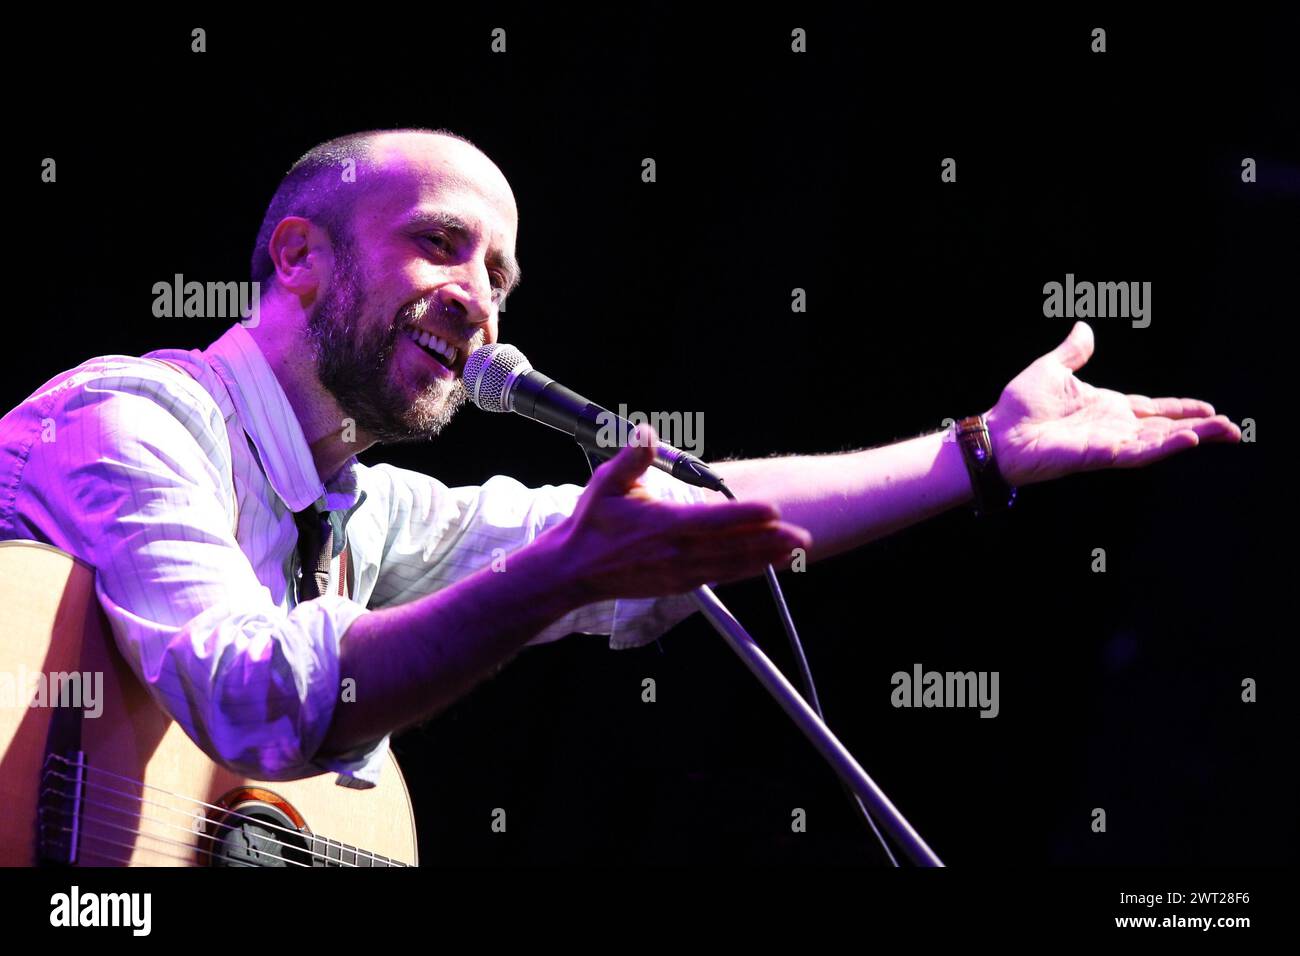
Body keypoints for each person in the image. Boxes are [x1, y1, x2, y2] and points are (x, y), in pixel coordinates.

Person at [0, 128, 1240, 789]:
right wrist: (559, 577)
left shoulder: (358, 515)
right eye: (442, 244)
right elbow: (254, 698)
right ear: (298, 255)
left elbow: (673, 525)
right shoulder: (131, 418)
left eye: (501, 275)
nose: (479, 296)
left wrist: (976, 455)